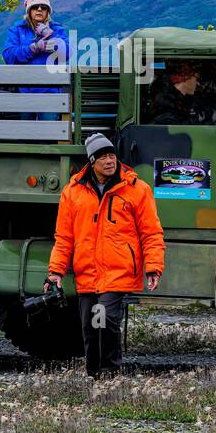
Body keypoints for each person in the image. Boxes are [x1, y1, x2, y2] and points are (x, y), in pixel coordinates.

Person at [45, 133, 165, 377]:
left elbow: (151, 232)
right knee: (90, 326)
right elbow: (64, 238)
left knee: (106, 319)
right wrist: (55, 272)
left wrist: (153, 267)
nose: (109, 161)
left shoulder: (137, 190)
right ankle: (94, 375)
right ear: (91, 162)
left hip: (117, 271)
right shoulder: (72, 192)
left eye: (111, 155)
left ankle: (109, 373)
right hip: (87, 272)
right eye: (102, 157)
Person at [1, 0, 70, 118]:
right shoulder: (17, 30)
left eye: (43, 7)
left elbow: (67, 52)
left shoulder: (57, 30)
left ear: (48, 12)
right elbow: (8, 55)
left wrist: (51, 36)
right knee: (26, 133)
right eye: (35, 7)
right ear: (29, 11)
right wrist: (33, 49)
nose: (39, 9)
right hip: (23, 91)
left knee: (48, 132)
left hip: (49, 91)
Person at [146, 60, 216, 125]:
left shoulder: (184, 101)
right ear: (186, 79)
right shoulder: (165, 105)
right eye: (196, 78)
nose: (197, 83)